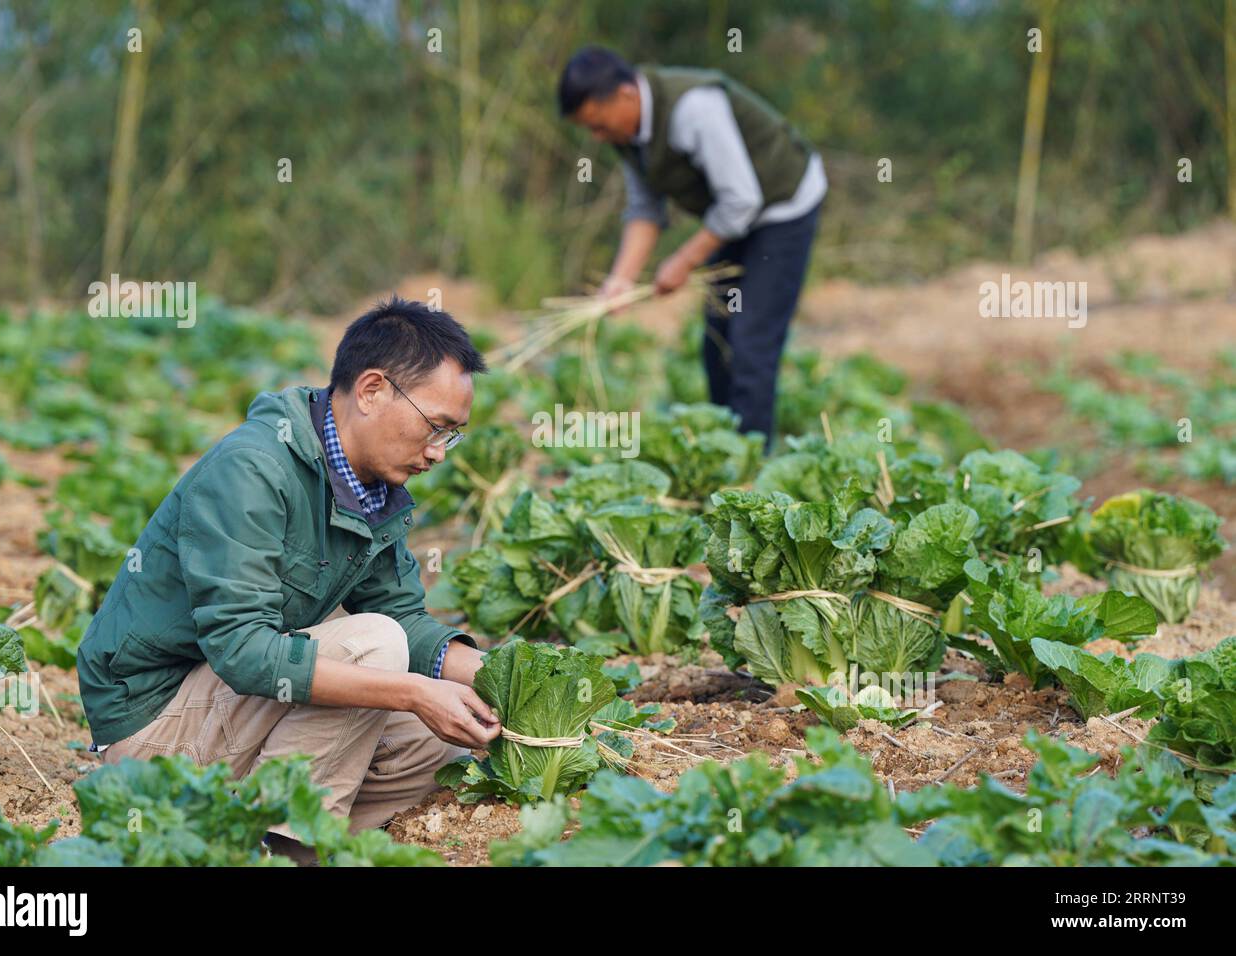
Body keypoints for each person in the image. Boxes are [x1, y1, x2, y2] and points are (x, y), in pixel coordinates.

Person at [77, 296, 501, 863]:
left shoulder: (371, 485)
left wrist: (505, 683)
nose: (438, 453)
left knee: (438, 740)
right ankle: (285, 849)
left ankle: (242, 823)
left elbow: (408, 619)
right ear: (372, 390)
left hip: (232, 713)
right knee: (375, 648)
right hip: (154, 725)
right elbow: (243, 652)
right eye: (436, 427)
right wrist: (413, 690)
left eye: (453, 435)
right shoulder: (253, 469)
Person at [559, 46, 825, 447]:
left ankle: (752, 469)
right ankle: (726, 446)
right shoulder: (629, 136)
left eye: (598, 125)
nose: (598, 137)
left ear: (626, 95)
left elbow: (742, 200)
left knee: (751, 339)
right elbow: (645, 209)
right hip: (736, 219)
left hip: (782, 207)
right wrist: (621, 280)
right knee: (717, 336)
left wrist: (684, 260)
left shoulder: (693, 109)